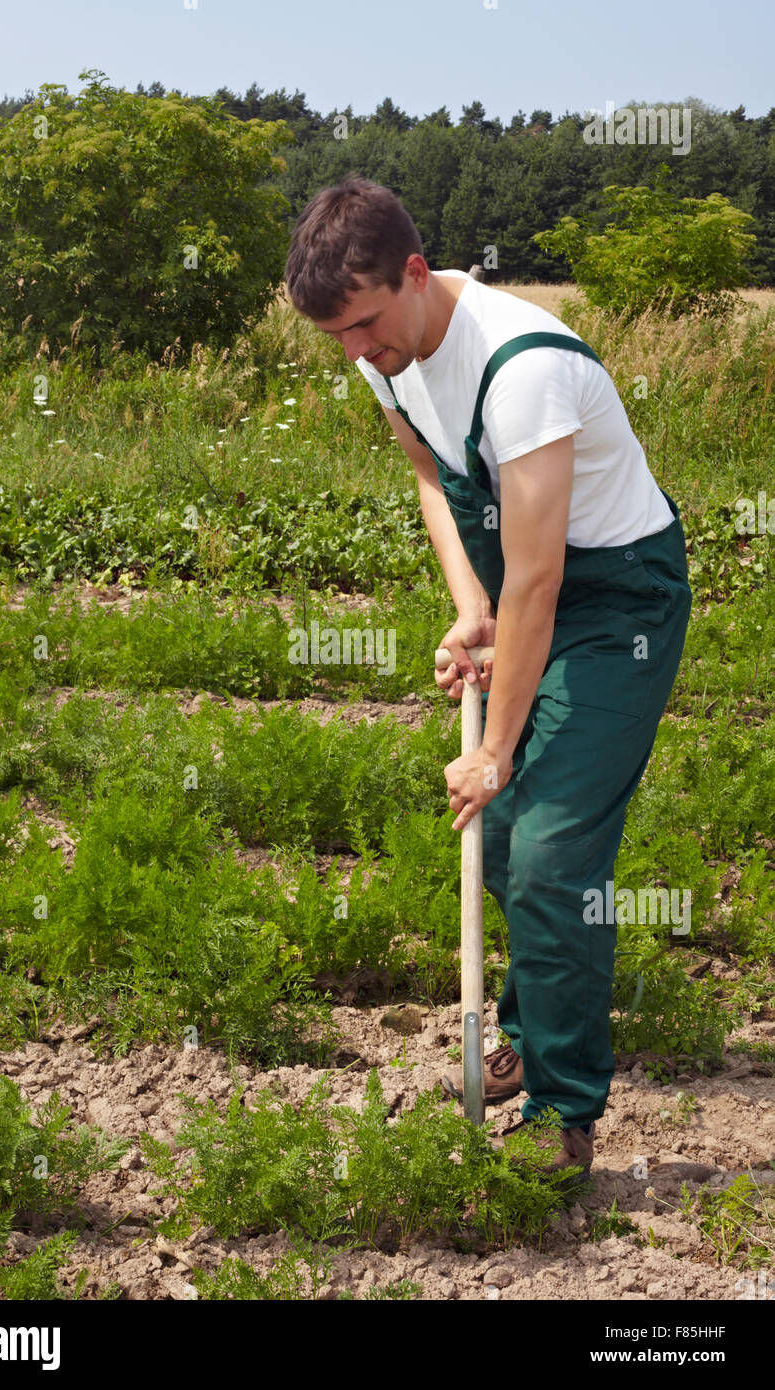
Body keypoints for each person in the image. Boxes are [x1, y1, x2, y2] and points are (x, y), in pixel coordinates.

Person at [283, 174, 692, 1175]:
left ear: (416, 274)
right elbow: (431, 474)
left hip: (614, 605)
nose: (355, 354)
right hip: (525, 583)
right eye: (334, 336)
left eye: (365, 326)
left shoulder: (522, 370)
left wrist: (494, 750)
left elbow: (544, 581)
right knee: (507, 839)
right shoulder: (385, 352)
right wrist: (470, 605)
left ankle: (562, 1112)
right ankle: (523, 1029)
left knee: (547, 847)